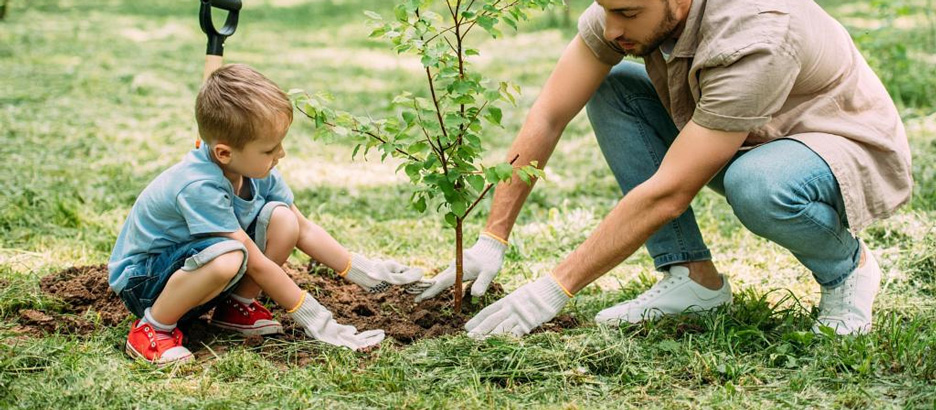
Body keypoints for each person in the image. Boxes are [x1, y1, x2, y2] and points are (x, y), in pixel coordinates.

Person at [417, 0, 912, 337]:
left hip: (834, 140)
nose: (611, 28)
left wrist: (554, 288)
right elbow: (549, 113)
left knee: (758, 184)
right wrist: (492, 238)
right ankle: (693, 279)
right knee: (613, 88)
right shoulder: (625, 12)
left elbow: (669, 192)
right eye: (607, 9)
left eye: (627, 13)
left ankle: (847, 272)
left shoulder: (757, 31)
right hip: (744, 130)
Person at [108, 64, 424, 365]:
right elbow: (255, 263)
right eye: (270, 149)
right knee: (231, 255)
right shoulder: (198, 186)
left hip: (191, 271)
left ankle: (235, 308)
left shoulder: (253, 169)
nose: (280, 154)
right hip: (145, 283)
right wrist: (317, 318)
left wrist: (362, 272)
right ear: (224, 153)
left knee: (283, 220)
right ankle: (153, 329)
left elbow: (302, 228)